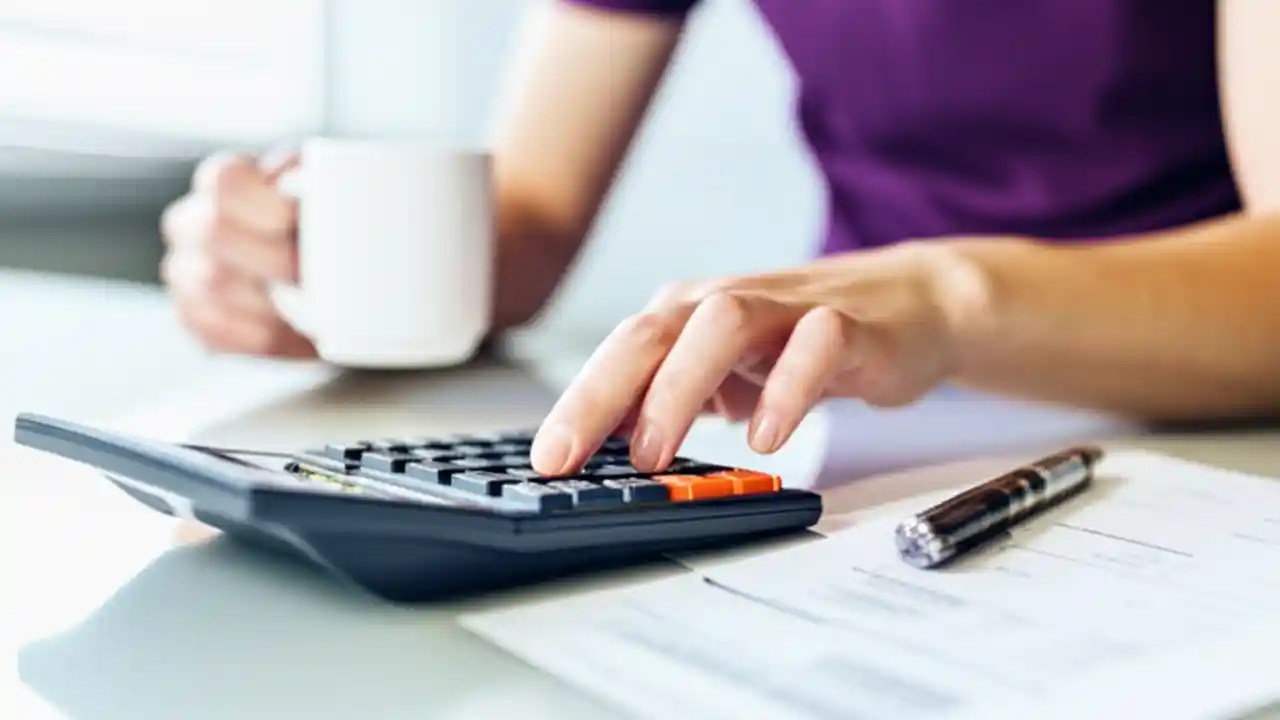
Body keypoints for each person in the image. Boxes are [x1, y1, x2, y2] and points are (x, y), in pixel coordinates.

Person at [160, 0, 1280, 479]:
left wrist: (945, 299)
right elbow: (526, 232)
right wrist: (306, 264)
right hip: (856, 426)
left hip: (1196, 418)